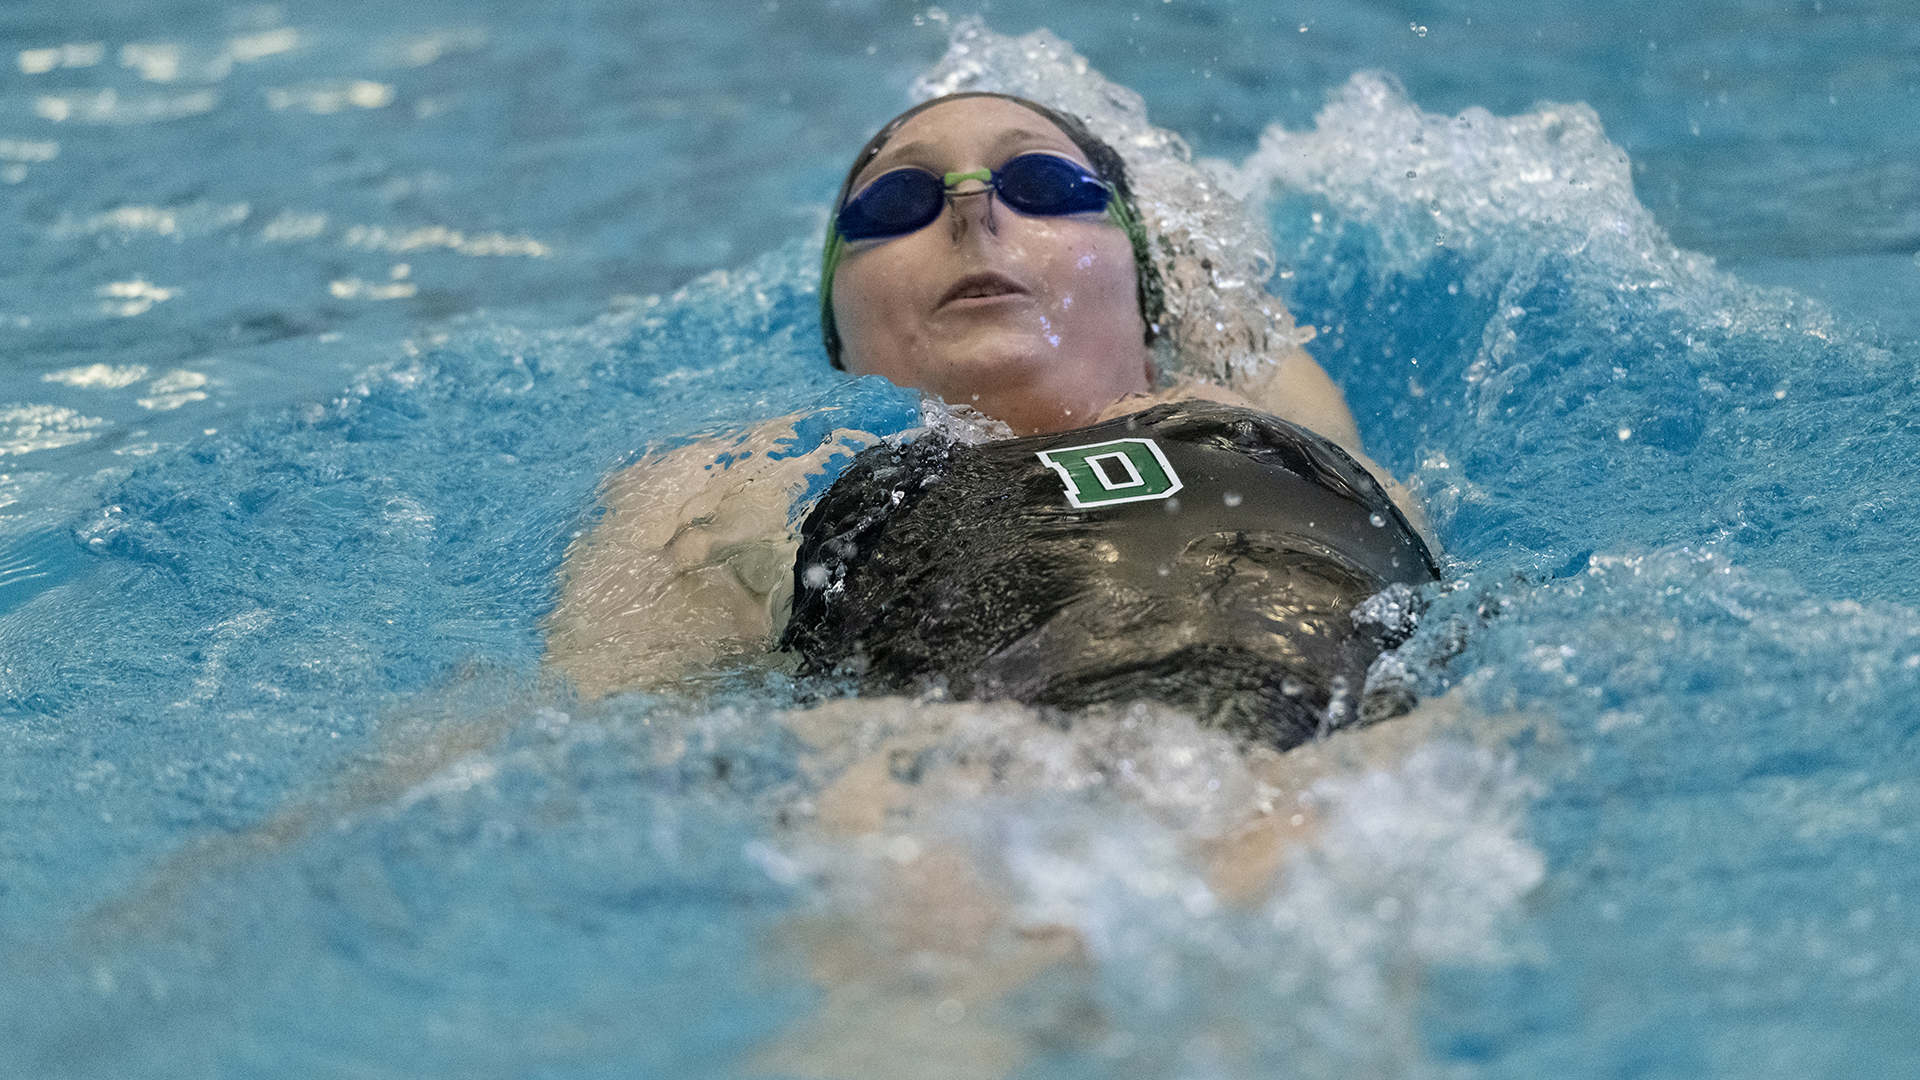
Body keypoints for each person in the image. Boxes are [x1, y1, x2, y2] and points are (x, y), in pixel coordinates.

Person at [546, 93, 1437, 747]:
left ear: (1145, 293)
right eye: (899, 202)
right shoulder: (733, 485)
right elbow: (608, 736)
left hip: (1373, 761)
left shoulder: (1250, 402)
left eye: (1044, 185)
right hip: (957, 795)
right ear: (840, 337)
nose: (974, 209)